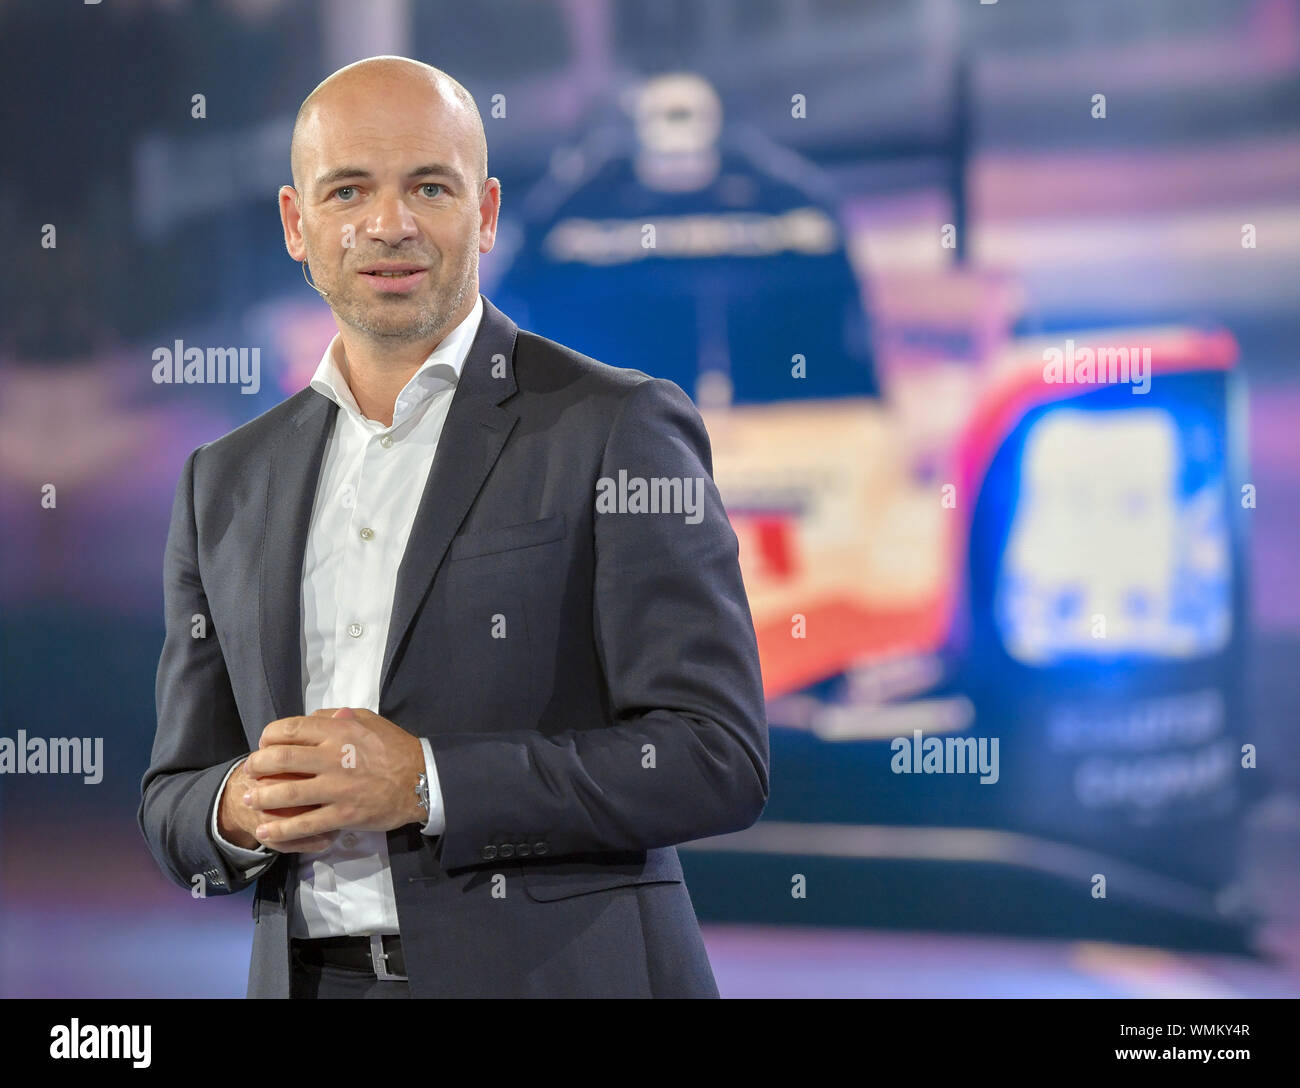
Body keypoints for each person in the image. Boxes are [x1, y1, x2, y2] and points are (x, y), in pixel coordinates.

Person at [137, 56, 769, 999]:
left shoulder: (618, 426)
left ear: (485, 212)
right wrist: (238, 807)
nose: (387, 225)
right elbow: (173, 798)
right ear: (295, 225)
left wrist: (429, 782)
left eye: (429, 186)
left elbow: (716, 755)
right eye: (348, 190)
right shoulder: (222, 482)